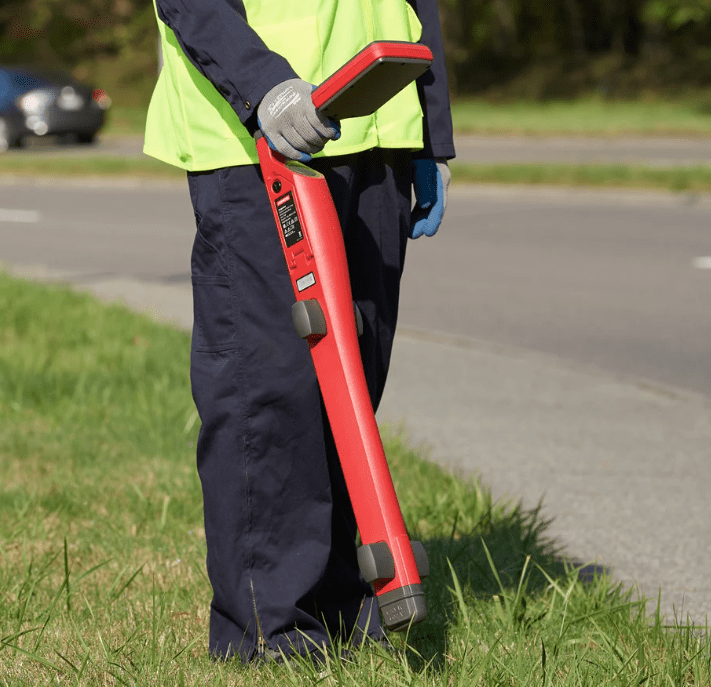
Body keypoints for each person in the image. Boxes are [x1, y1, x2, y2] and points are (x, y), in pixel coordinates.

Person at [143, 0, 456, 663]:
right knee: (271, 384)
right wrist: (263, 86)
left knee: (354, 376)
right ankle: (268, 628)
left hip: (378, 126)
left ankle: (341, 604)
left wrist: (431, 130)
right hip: (259, 131)